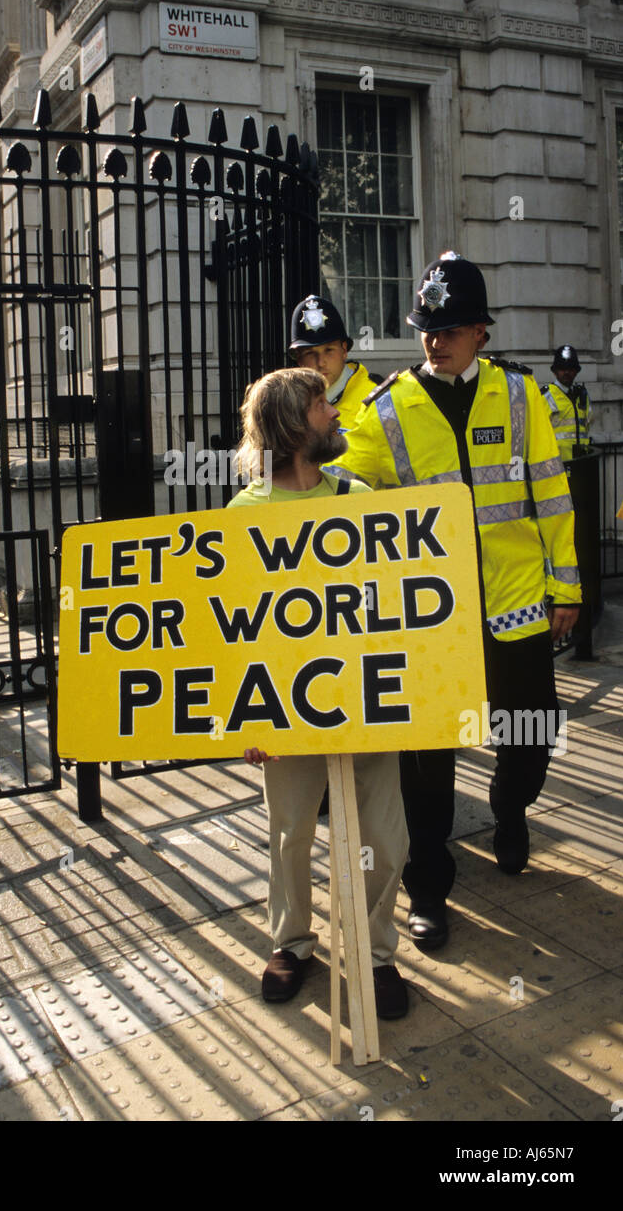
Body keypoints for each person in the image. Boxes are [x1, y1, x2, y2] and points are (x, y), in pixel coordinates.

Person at [326, 252, 582, 951]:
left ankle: (510, 808)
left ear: (480, 333)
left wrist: (567, 588)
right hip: (431, 619)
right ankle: (429, 889)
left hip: (519, 601)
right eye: (427, 329)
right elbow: (340, 489)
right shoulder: (386, 410)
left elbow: (553, 498)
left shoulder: (523, 398)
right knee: (426, 761)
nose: (434, 341)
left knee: (530, 734)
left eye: (449, 329)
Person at [228, 367, 410, 1018]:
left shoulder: (359, 498)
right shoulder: (245, 514)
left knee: (386, 841)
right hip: (287, 708)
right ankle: (293, 944)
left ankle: (376, 954)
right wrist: (247, 716)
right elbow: (234, 627)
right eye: (321, 405)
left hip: (366, 700)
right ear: (288, 423)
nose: (334, 413)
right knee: (292, 834)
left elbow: (396, 601)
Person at [288, 294, 378, 442]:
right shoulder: (286, 403)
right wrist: (265, 465)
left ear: (344, 350)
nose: (321, 362)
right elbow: (264, 457)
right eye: (310, 353)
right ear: (298, 358)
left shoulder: (376, 399)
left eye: (329, 350)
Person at [541, 345, 592, 462]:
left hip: (582, 463)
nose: (567, 372)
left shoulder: (582, 395)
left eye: (571, 368)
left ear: (576, 371)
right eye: (562, 368)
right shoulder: (546, 396)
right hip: (556, 465)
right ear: (555, 371)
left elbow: (587, 426)